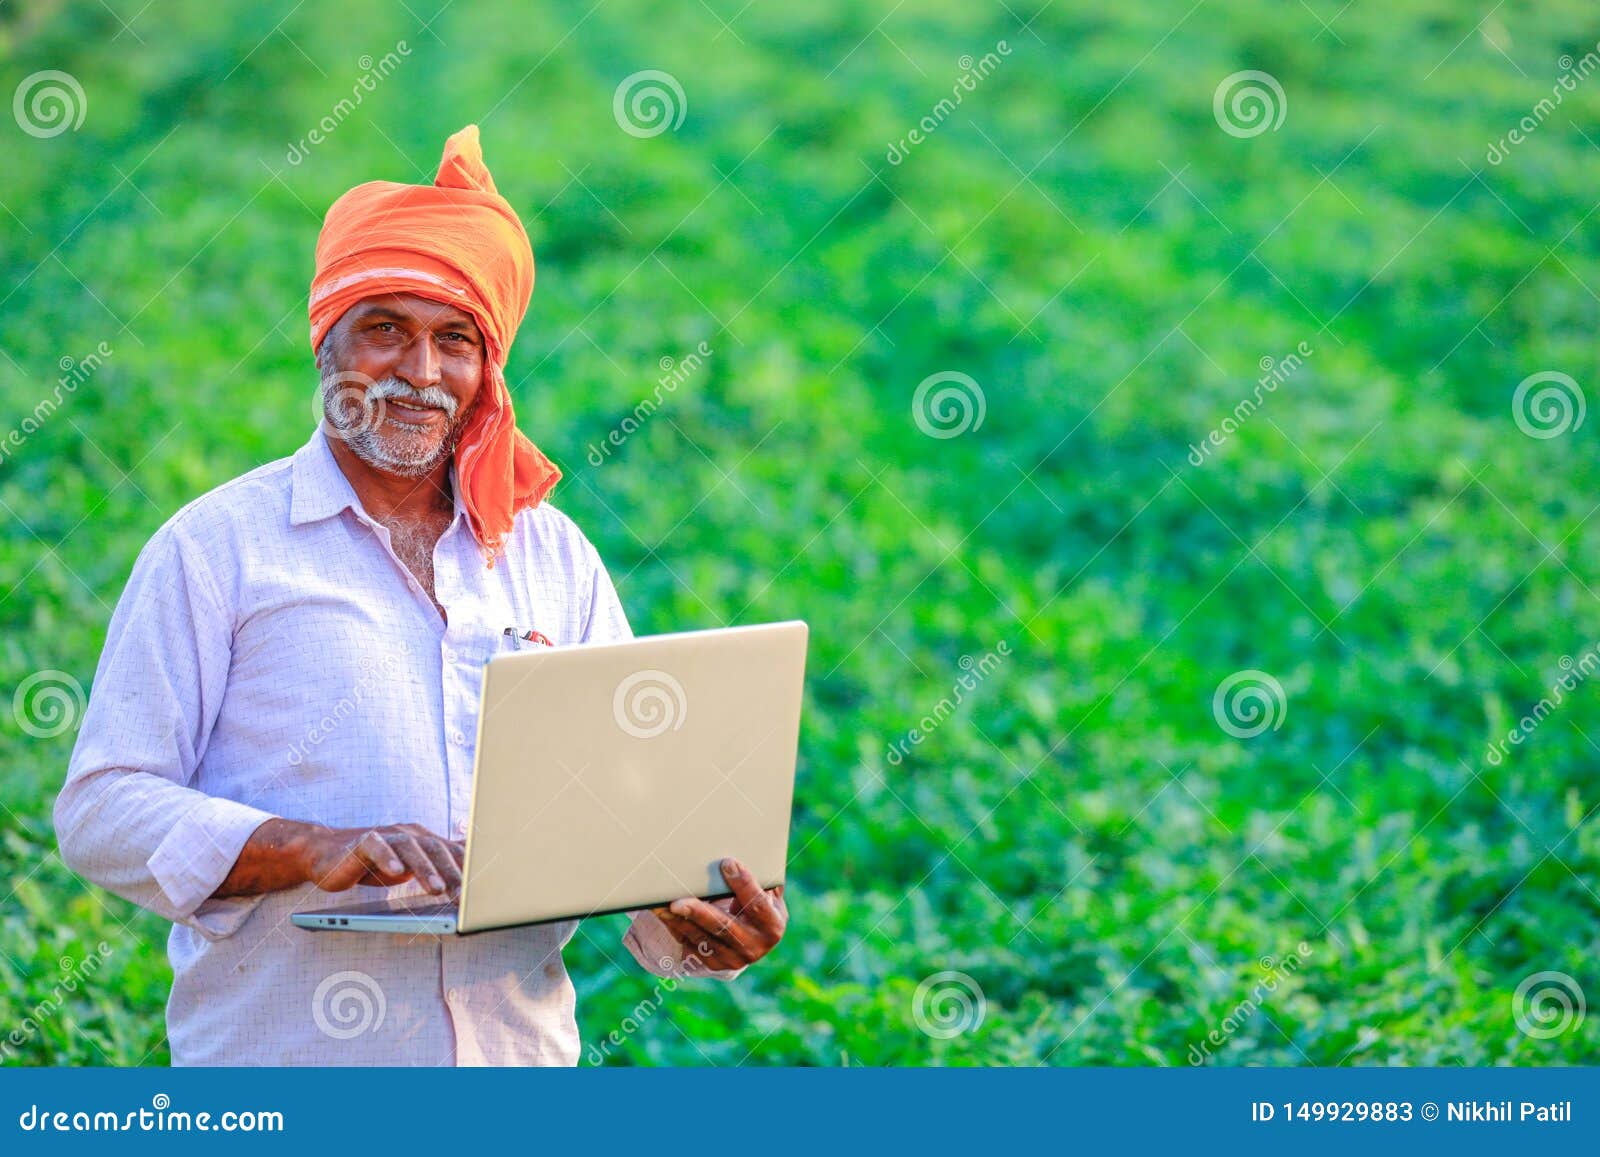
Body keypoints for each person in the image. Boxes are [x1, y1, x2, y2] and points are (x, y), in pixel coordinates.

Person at [54, 125, 786, 1066]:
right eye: (385, 329)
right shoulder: (218, 549)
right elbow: (102, 808)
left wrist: (699, 926)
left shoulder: (551, 557)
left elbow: (629, 831)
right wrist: (307, 846)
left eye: (455, 340)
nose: (421, 372)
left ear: (489, 371)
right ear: (328, 342)